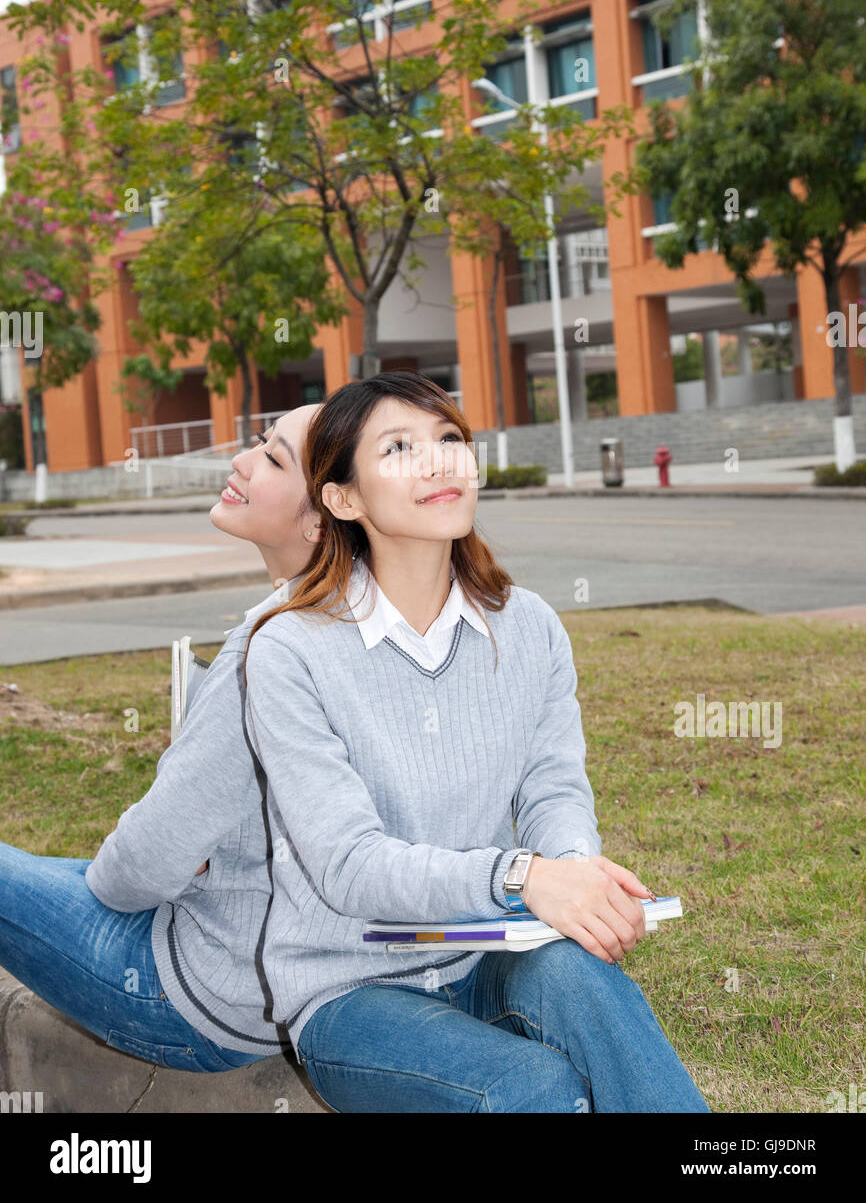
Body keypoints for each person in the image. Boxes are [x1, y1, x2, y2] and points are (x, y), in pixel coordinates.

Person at [234, 370, 711, 1113]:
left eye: (449, 440)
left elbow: (552, 787)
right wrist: (522, 875)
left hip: (489, 953)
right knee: (534, 1089)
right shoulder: (291, 651)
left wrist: (575, 876)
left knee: (583, 979)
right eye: (399, 447)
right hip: (351, 988)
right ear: (343, 498)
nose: (440, 462)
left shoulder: (528, 626)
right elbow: (348, 866)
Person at [0, 402, 326, 1073]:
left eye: (271, 458)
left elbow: (139, 872)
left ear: (323, 517)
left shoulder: (265, 651)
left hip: (211, 1006)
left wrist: (160, 849)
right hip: (303, 975)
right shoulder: (372, 623)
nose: (239, 460)